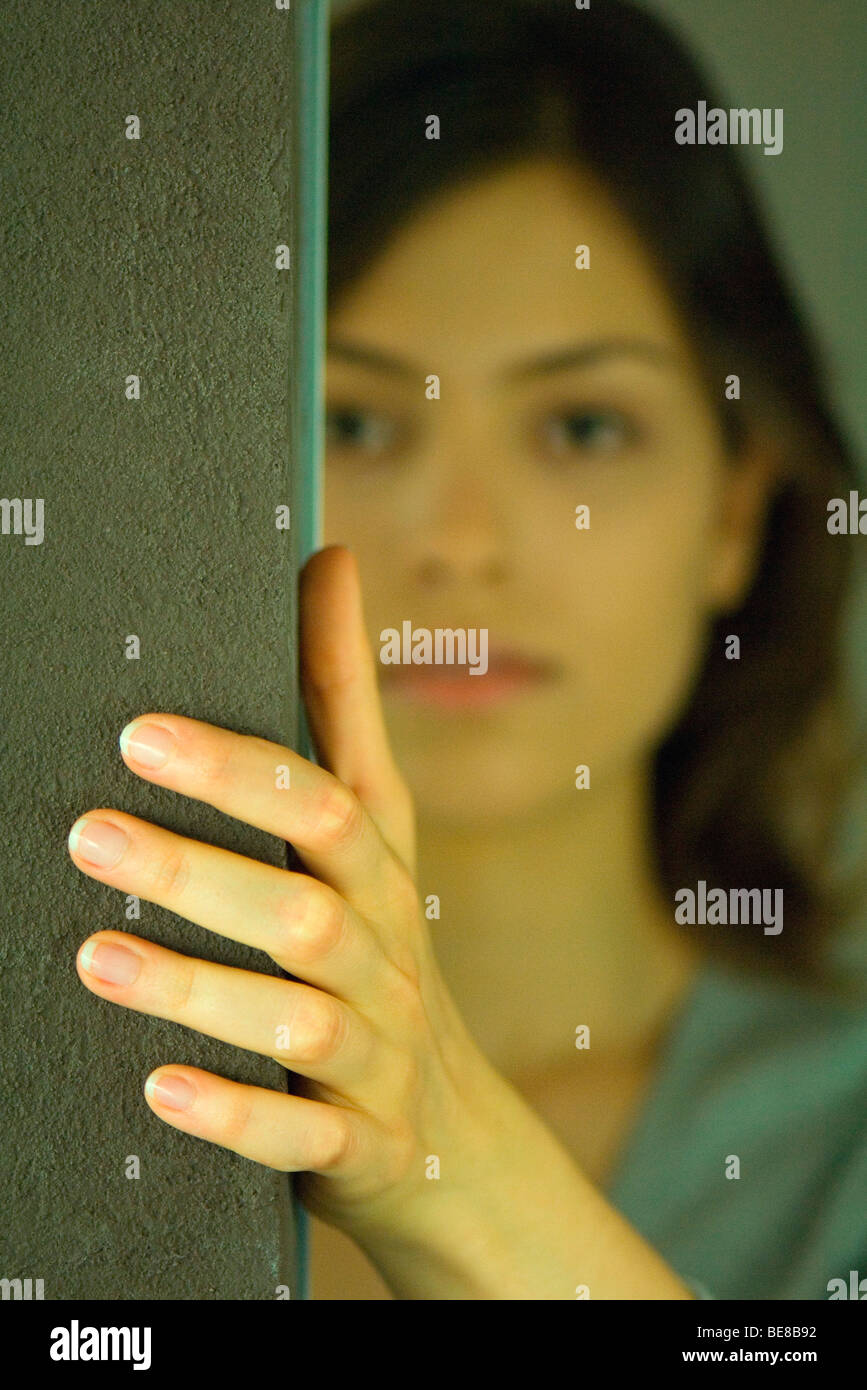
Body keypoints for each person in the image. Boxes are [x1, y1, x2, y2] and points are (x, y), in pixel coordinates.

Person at [67, 0, 866, 1299]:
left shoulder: (841, 1153)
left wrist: (452, 1173)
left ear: (734, 512)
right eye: (357, 423)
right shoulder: (56, 1102)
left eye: (586, 429)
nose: (461, 542)